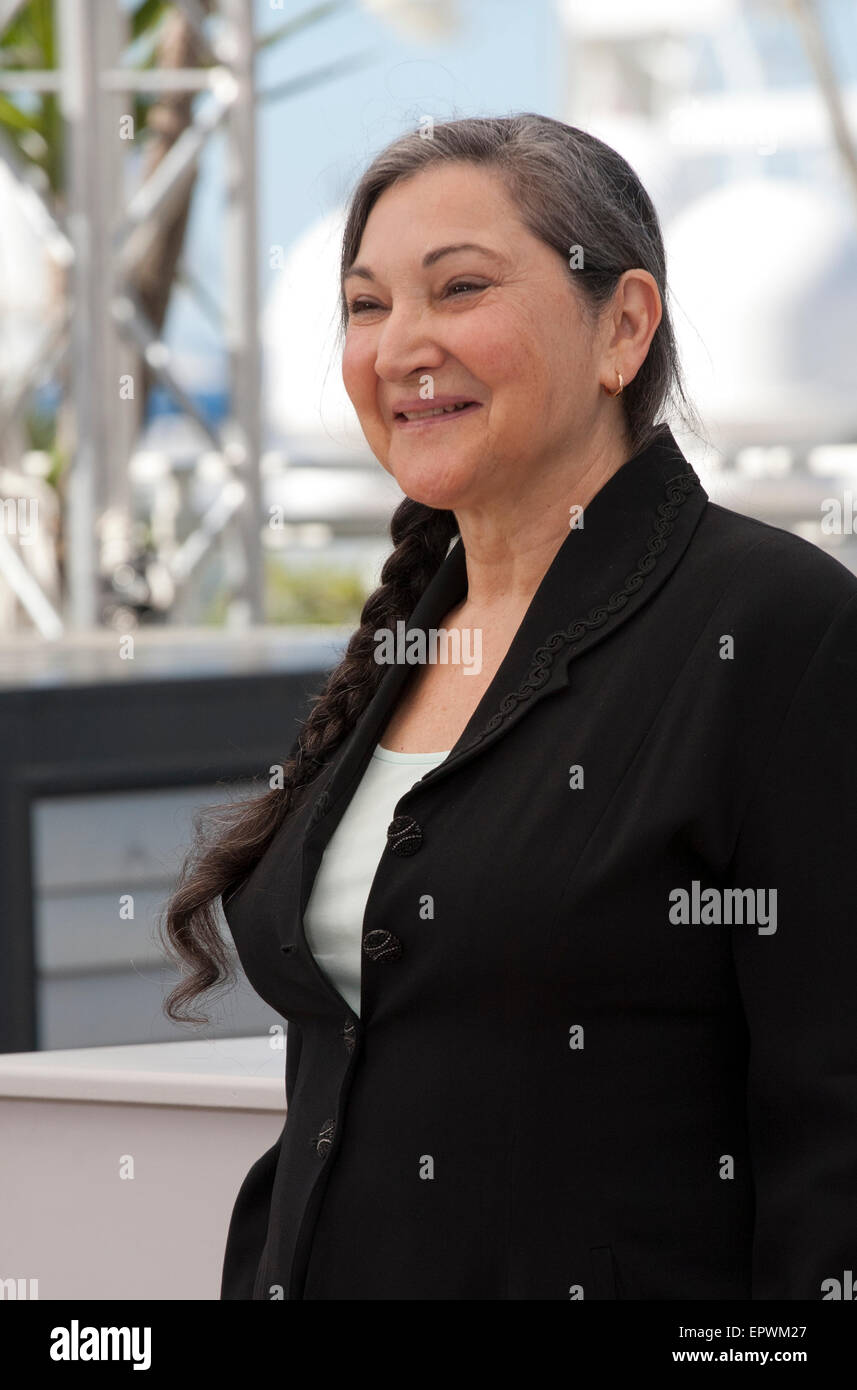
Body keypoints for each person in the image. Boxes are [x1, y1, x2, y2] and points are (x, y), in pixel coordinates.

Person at [160, 114, 857, 1300]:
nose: (400, 346)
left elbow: (835, 1137)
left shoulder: (781, 630)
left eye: (460, 287)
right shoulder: (405, 646)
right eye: (367, 305)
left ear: (621, 327)